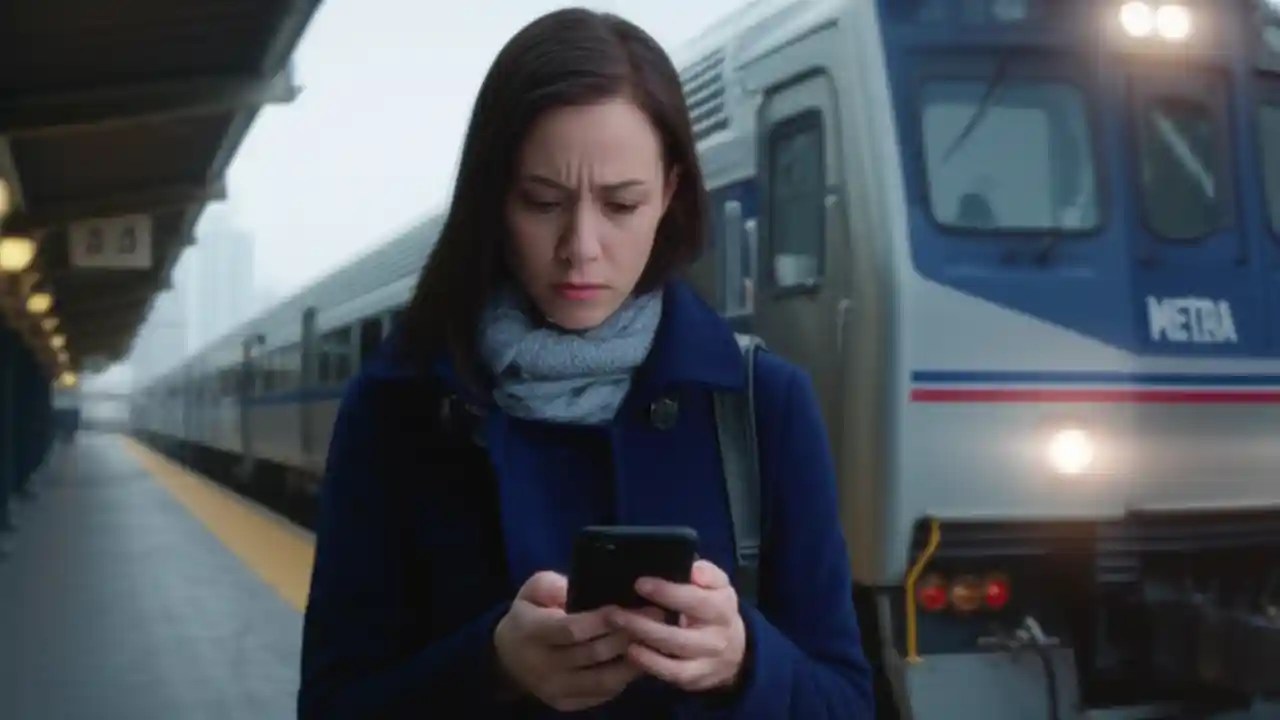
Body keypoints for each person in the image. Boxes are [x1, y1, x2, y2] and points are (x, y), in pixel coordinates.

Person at [298, 8, 873, 718]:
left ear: (668, 194)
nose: (582, 247)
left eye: (622, 204)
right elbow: (331, 705)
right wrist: (492, 666)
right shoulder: (396, 409)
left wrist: (744, 658)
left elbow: (847, 702)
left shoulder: (763, 405)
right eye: (542, 202)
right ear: (492, 198)